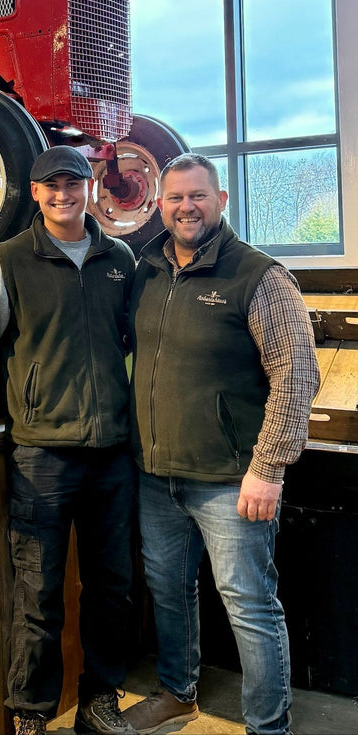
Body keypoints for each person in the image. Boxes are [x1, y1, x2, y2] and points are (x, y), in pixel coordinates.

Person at [0, 145, 138, 735]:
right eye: (51, 187)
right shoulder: (9, 261)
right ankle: (31, 713)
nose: (63, 195)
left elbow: (139, 343)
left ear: (89, 190)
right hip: (42, 455)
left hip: (111, 453)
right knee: (37, 590)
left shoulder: (120, 258)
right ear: (34, 193)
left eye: (73, 184)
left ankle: (101, 699)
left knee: (112, 587)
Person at [123, 153, 320, 735]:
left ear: (221, 201)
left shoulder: (258, 276)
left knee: (250, 606)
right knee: (168, 589)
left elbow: (295, 372)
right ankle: (177, 693)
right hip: (156, 474)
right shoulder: (146, 269)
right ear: (160, 203)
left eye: (199, 196)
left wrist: (270, 467)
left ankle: (268, 725)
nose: (187, 207)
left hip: (231, 479)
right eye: (176, 197)